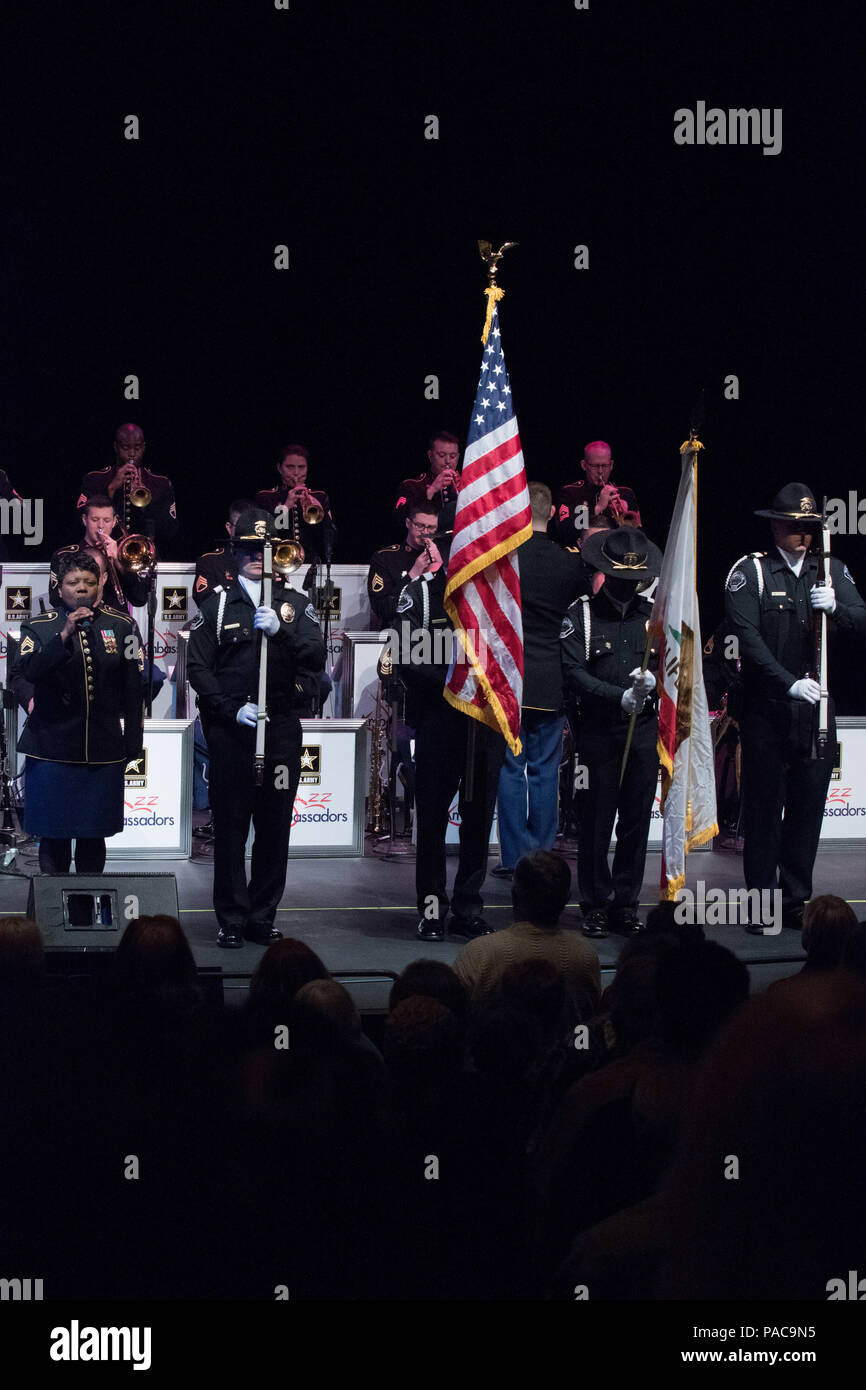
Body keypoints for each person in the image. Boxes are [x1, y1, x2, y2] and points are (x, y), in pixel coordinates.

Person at [725, 483, 866, 932]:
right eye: (794, 527)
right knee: (765, 811)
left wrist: (839, 607)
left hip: (816, 713)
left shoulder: (831, 571)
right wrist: (788, 685)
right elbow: (748, 639)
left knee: (807, 810)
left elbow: (862, 617)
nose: (802, 536)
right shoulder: (752, 573)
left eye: (809, 527)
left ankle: (793, 898)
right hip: (768, 711)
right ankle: (762, 902)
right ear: (774, 525)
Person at [186, 508, 326, 948]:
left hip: (281, 731)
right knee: (230, 827)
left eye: (263, 550)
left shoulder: (296, 604)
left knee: (273, 827)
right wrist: (231, 709)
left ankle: (262, 917)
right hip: (233, 733)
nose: (255, 558)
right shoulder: (218, 604)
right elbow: (198, 669)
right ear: (235, 553)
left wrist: (281, 629)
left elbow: (316, 658)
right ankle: (231, 918)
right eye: (248, 550)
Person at [393, 516, 506, 941]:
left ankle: (468, 906)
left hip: (485, 724)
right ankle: (431, 910)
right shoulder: (420, 596)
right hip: (439, 721)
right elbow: (405, 657)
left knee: (478, 819)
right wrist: (456, 682)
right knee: (434, 821)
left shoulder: (498, 601)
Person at [11, 552, 144, 873]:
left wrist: (132, 745)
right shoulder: (38, 627)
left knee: (93, 836)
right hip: (51, 751)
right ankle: (54, 919)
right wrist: (65, 635)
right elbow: (28, 671)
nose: (81, 588)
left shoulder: (122, 624)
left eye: (89, 581)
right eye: (73, 582)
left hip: (103, 751)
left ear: (100, 585)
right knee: (53, 838)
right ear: (59, 589)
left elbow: (133, 687)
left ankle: (89, 916)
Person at [560, 526, 663, 937]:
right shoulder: (580, 614)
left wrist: (654, 682)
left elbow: (674, 666)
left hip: (642, 734)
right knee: (596, 822)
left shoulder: (654, 613)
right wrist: (616, 696)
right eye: (620, 577)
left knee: (636, 822)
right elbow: (573, 672)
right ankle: (595, 904)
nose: (627, 586)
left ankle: (625, 903)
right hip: (598, 734)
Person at [494, 483, 587, 876]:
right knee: (546, 771)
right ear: (552, 514)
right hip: (551, 678)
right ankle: (543, 859)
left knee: (512, 770)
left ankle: (516, 859)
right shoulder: (570, 562)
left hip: (510, 678)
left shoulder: (505, 558)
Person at [453, 851, 601, 1012]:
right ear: (566, 899)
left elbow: (452, 1016)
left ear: (514, 894)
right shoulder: (585, 955)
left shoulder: (479, 954)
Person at [77, 423, 178, 550]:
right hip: (102, 552)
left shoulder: (159, 483)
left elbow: (170, 530)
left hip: (144, 554)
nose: (132, 454)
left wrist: (146, 505)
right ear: (116, 447)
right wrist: (111, 489)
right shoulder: (95, 479)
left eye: (137, 448)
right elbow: (80, 520)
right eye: (125, 448)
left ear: (144, 447)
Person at [51, 494, 151, 612]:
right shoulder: (64, 555)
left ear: (114, 522)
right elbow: (55, 599)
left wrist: (118, 561)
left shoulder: (125, 555)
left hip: (116, 623)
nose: (101, 526)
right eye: (95, 520)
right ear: (84, 520)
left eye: (107, 520)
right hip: (78, 620)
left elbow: (139, 599)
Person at [254, 443, 336, 567]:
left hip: (310, 565)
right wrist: (286, 507)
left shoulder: (320, 496)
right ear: (279, 468)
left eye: (301, 467)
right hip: (276, 564)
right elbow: (264, 534)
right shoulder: (266, 497)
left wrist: (322, 514)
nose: (296, 472)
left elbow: (330, 537)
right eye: (290, 467)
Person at [367, 504, 442, 630]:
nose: (425, 532)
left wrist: (440, 567)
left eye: (431, 527)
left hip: (438, 634)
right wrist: (413, 574)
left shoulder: (445, 557)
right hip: (399, 635)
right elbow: (382, 609)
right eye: (420, 525)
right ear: (408, 523)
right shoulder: (385, 558)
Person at [555, 440, 640, 547]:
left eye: (604, 466)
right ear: (584, 465)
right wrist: (597, 508)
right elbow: (564, 531)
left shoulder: (625, 493)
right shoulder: (570, 492)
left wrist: (623, 517)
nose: (600, 471)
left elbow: (638, 536)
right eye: (595, 466)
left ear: (611, 465)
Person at [193, 497, 254, 603]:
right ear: (229, 527)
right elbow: (205, 602)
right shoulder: (210, 562)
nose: (246, 533)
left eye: (251, 527)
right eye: (241, 527)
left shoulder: (267, 561)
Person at [394, 431, 462, 524]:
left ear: (458, 457)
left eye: (453, 456)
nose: (448, 461)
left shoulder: (468, 484)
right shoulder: (412, 485)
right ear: (430, 456)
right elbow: (400, 516)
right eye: (441, 455)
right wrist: (431, 491)